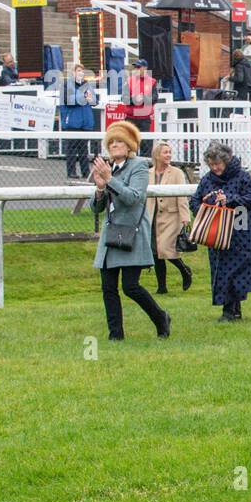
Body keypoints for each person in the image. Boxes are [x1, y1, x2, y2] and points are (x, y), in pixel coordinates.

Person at [91, 121, 170, 341]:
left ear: (130, 146)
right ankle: (115, 334)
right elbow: (96, 208)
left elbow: (133, 198)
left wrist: (109, 180)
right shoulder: (109, 169)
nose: (115, 145)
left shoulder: (139, 166)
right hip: (111, 234)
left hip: (131, 234)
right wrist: (99, 188)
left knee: (130, 286)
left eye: (120, 142)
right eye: (112, 142)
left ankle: (161, 317)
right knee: (108, 288)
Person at [190, 142, 251, 322]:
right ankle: (232, 310)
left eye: (218, 164)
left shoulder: (242, 176)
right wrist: (203, 205)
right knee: (222, 270)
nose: (215, 168)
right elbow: (194, 201)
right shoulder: (207, 179)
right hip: (217, 233)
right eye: (211, 164)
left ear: (226, 161)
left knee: (236, 271)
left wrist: (231, 200)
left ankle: (230, 310)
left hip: (243, 233)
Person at [148, 141, 193, 295]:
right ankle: (162, 287)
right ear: (157, 155)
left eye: (169, 152)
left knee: (166, 249)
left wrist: (185, 217)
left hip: (171, 216)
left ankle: (184, 270)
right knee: (155, 252)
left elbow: (181, 195)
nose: (168, 155)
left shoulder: (176, 173)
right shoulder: (149, 173)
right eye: (165, 152)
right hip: (152, 216)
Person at [58, 62, 97, 180]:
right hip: (73, 122)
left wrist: (91, 99)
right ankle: (71, 172)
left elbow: (95, 100)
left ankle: (86, 172)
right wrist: (82, 97)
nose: (80, 73)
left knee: (83, 149)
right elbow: (68, 101)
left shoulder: (87, 85)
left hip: (85, 122)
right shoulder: (66, 85)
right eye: (78, 71)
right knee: (71, 149)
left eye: (81, 71)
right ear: (72, 73)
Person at [125, 60, 157, 133]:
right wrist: (135, 99)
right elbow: (124, 99)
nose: (136, 69)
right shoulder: (129, 81)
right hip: (130, 118)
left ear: (145, 68)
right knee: (130, 142)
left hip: (144, 119)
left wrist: (143, 98)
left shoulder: (152, 81)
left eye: (138, 67)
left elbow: (155, 98)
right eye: (135, 67)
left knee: (145, 142)